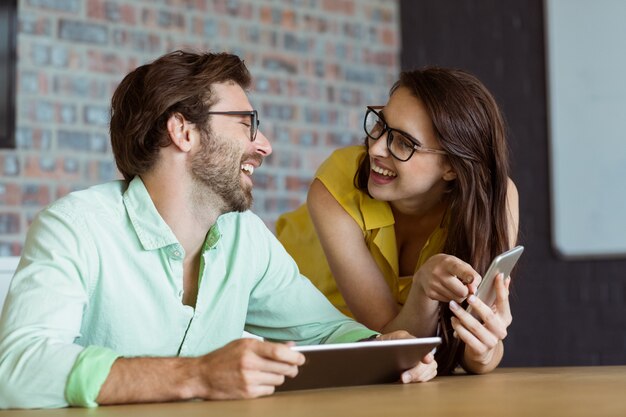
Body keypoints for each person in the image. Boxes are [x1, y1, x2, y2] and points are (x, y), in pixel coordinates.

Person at [0, 51, 437, 410]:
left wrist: (387, 349)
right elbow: (16, 369)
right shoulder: (75, 228)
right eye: (247, 124)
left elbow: (323, 333)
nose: (264, 145)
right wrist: (199, 375)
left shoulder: (245, 237)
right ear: (184, 131)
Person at [277, 67, 520, 375]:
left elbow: (474, 352)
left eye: (404, 143)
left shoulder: (494, 199)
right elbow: (387, 343)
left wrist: (484, 346)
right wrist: (423, 290)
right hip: (308, 343)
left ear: (451, 168)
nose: (375, 148)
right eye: (381, 126)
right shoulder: (336, 185)